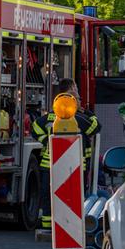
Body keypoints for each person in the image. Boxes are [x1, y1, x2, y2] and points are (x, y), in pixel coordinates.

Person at [31, 78, 100, 230]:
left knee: (49, 196)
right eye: (77, 97)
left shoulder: (50, 117)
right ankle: (68, 227)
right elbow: (96, 126)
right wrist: (87, 112)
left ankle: (49, 227)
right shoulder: (79, 119)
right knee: (72, 197)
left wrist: (46, 141)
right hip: (74, 166)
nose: (78, 100)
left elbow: (35, 127)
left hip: (49, 166)